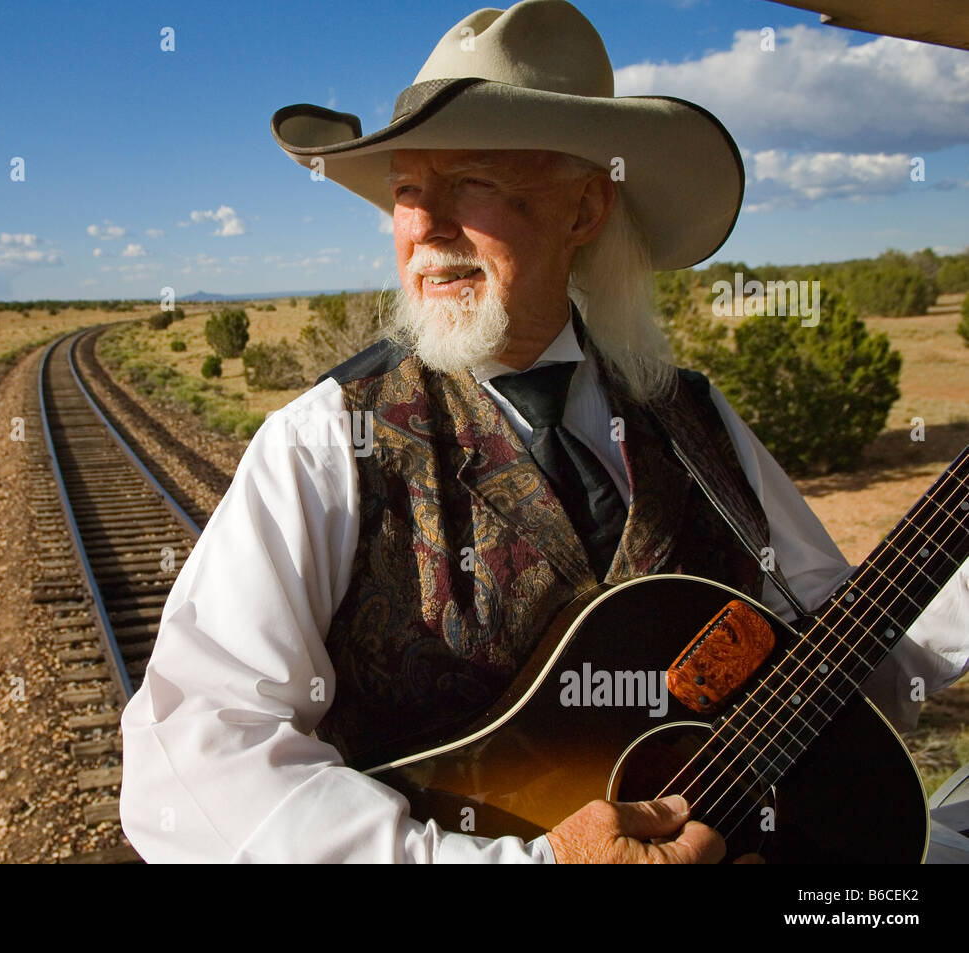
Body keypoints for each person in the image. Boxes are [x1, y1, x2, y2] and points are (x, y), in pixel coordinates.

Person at [118, 0, 969, 863]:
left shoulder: (695, 420)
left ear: (583, 210)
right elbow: (192, 759)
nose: (424, 228)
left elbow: (845, 659)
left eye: (469, 184)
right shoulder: (329, 440)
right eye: (408, 191)